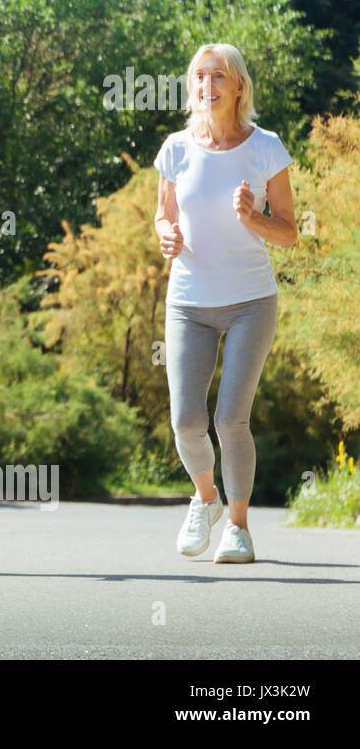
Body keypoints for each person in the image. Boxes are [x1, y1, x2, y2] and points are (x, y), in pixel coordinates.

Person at [153, 43, 298, 564]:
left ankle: (238, 527)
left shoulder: (266, 148)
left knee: (231, 418)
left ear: (239, 86)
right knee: (185, 421)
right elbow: (164, 215)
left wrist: (253, 217)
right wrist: (166, 234)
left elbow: (289, 233)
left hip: (250, 301)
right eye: (199, 76)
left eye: (218, 76)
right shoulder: (176, 148)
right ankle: (206, 498)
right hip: (188, 301)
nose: (207, 85)